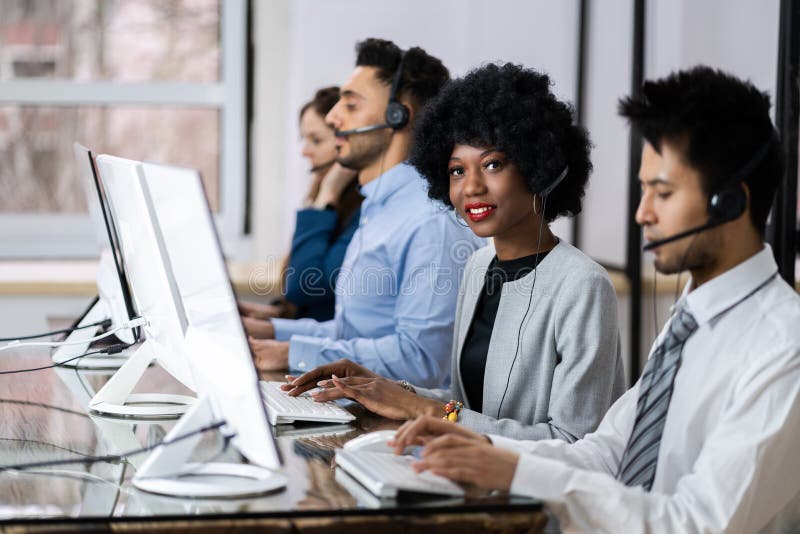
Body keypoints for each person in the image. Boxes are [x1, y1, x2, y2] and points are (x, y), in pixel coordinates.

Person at [390, 66, 800, 533]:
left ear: (729, 203)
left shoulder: (783, 348)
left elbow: (699, 524)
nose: (642, 213)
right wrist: (481, 450)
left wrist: (514, 469)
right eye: (644, 190)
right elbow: (603, 452)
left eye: (662, 193)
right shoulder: (690, 320)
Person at [283, 64, 625, 442]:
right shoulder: (479, 266)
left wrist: (424, 409)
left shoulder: (582, 285)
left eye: (492, 164)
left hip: (532, 495)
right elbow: (464, 409)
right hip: (467, 475)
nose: (472, 187)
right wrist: (385, 390)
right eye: (457, 171)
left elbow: (575, 444)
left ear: (535, 166)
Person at [244, 38, 483, 388]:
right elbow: (353, 331)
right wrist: (273, 334)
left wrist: (292, 353)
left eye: (351, 105)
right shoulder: (379, 208)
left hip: (397, 430)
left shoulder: (431, 223)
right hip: (357, 402)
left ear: (398, 116)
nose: (332, 117)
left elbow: (421, 359)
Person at [240, 86, 363, 322]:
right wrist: (273, 314)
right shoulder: (324, 200)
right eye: (303, 139)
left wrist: (328, 194)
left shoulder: (363, 212)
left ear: (345, 141)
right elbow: (300, 293)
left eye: (316, 140)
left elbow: (305, 284)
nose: (305, 151)